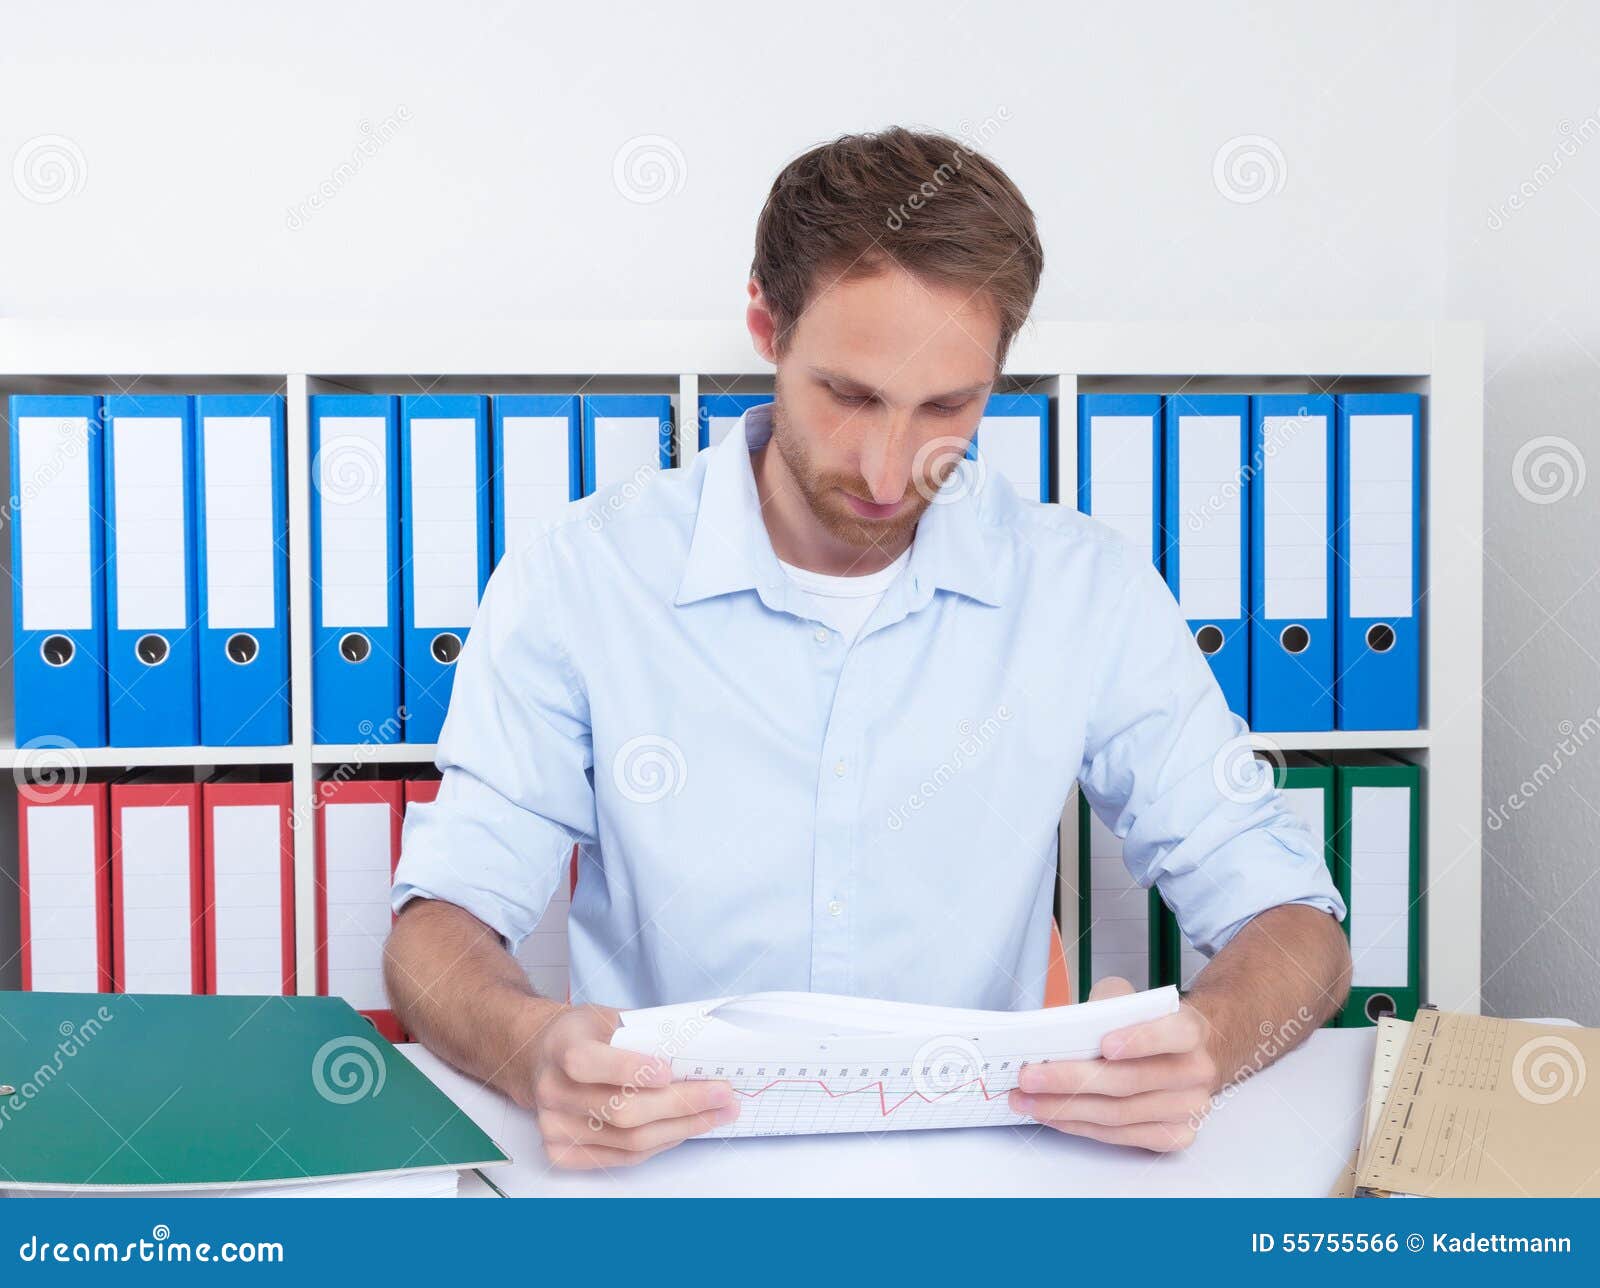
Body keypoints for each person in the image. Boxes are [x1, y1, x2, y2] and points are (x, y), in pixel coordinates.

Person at [385, 127, 1350, 1171]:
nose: (891, 471)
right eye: (849, 397)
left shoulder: (1085, 589)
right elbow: (436, 930)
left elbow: (1294, 920)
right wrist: (531, 1050)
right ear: (764, 323)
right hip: (669, 1170)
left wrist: (1207, 1044)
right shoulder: (580, 578)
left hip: (990, 1172)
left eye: (948, 406)